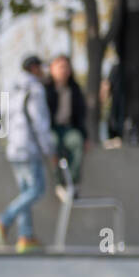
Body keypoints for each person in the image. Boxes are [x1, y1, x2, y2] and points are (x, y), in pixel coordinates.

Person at [0, 55, 55, 253]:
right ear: (33, 68)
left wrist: (10, 137)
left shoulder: (11, 87)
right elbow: (39, 122)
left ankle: (25, 237)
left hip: (14, 147)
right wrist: (49, 149)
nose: (43, 72)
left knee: (25, 192)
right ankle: (3, 219)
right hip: (30, 148)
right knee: (37, 190)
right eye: (41, 68)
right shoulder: (34, 89)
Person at [45, 53, 86, 197]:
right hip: (51, 129)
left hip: (68, 128)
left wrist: (85, 136)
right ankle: (59, 183)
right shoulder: (45, 89)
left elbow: (81, 115)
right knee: (53, 143)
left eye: (66, 67)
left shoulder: (75, 89)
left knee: (76, 142)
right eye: (60, 67)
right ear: (52, 69)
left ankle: (73, 183)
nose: (63, 70)